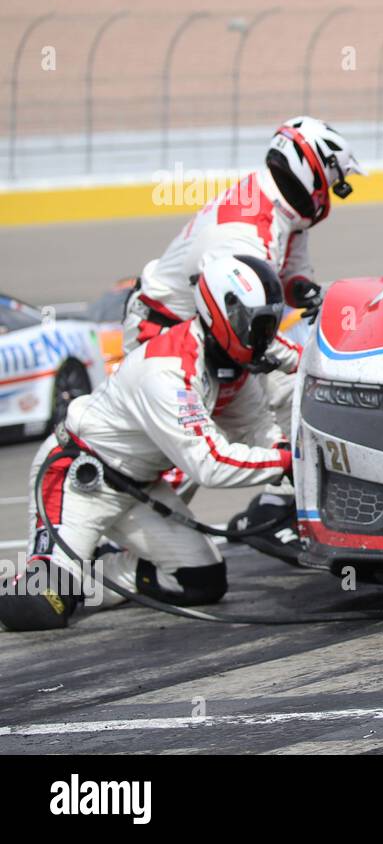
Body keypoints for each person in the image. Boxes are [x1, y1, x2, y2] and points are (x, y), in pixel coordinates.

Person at [0, 256, 294, 632]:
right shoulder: (167, 370)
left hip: (139, 488)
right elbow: (210, 464)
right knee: (37, 607)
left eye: (268, 324)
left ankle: (89, 574)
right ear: (222, 312)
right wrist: (287, 461)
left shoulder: (230, 367)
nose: (262, 337)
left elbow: (260, 432)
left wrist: (299, 465)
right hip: (78, 478)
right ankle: (56, 577)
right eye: (255, 324)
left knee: (201, 581)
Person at [122, 116, 365, 369]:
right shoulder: (248, 234)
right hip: (165, 335)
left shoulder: (277, 204)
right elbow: (246, 331)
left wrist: (305, 291)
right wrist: (314, 363)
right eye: (332, 184)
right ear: (314, 171)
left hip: (205, 335)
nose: (329, 194)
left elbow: (289, 271)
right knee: (298, 384)